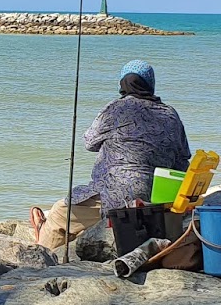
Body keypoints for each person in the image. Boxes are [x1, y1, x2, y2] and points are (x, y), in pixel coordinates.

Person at [31, 60, 191, 251]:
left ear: (123, 83)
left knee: (59, 214)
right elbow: (183, 160)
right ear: (150, 83)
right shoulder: (170, 114)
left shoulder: (116, 108)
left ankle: (42, 254)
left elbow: (89, 142)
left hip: (117, 196)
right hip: (158, 199)